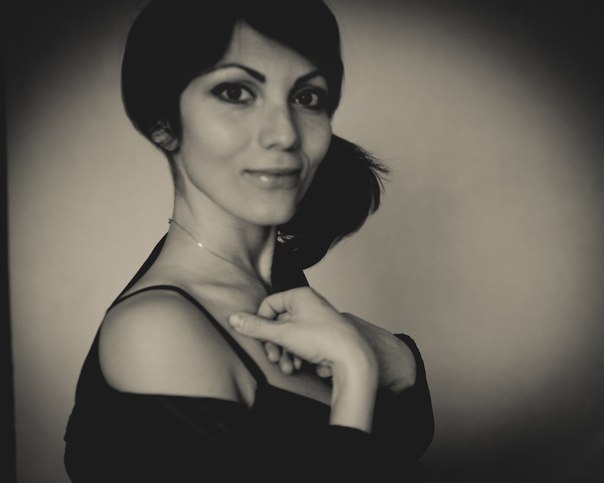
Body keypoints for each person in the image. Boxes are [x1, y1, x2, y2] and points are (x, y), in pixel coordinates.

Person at [64, 0, 434, 480]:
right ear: (162, 123)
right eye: (236, 92)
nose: (285, 134)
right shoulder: (155, 333)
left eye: (307, 97)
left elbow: (403, 441)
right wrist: (356, 372)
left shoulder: (278, 278)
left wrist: (392, 357)